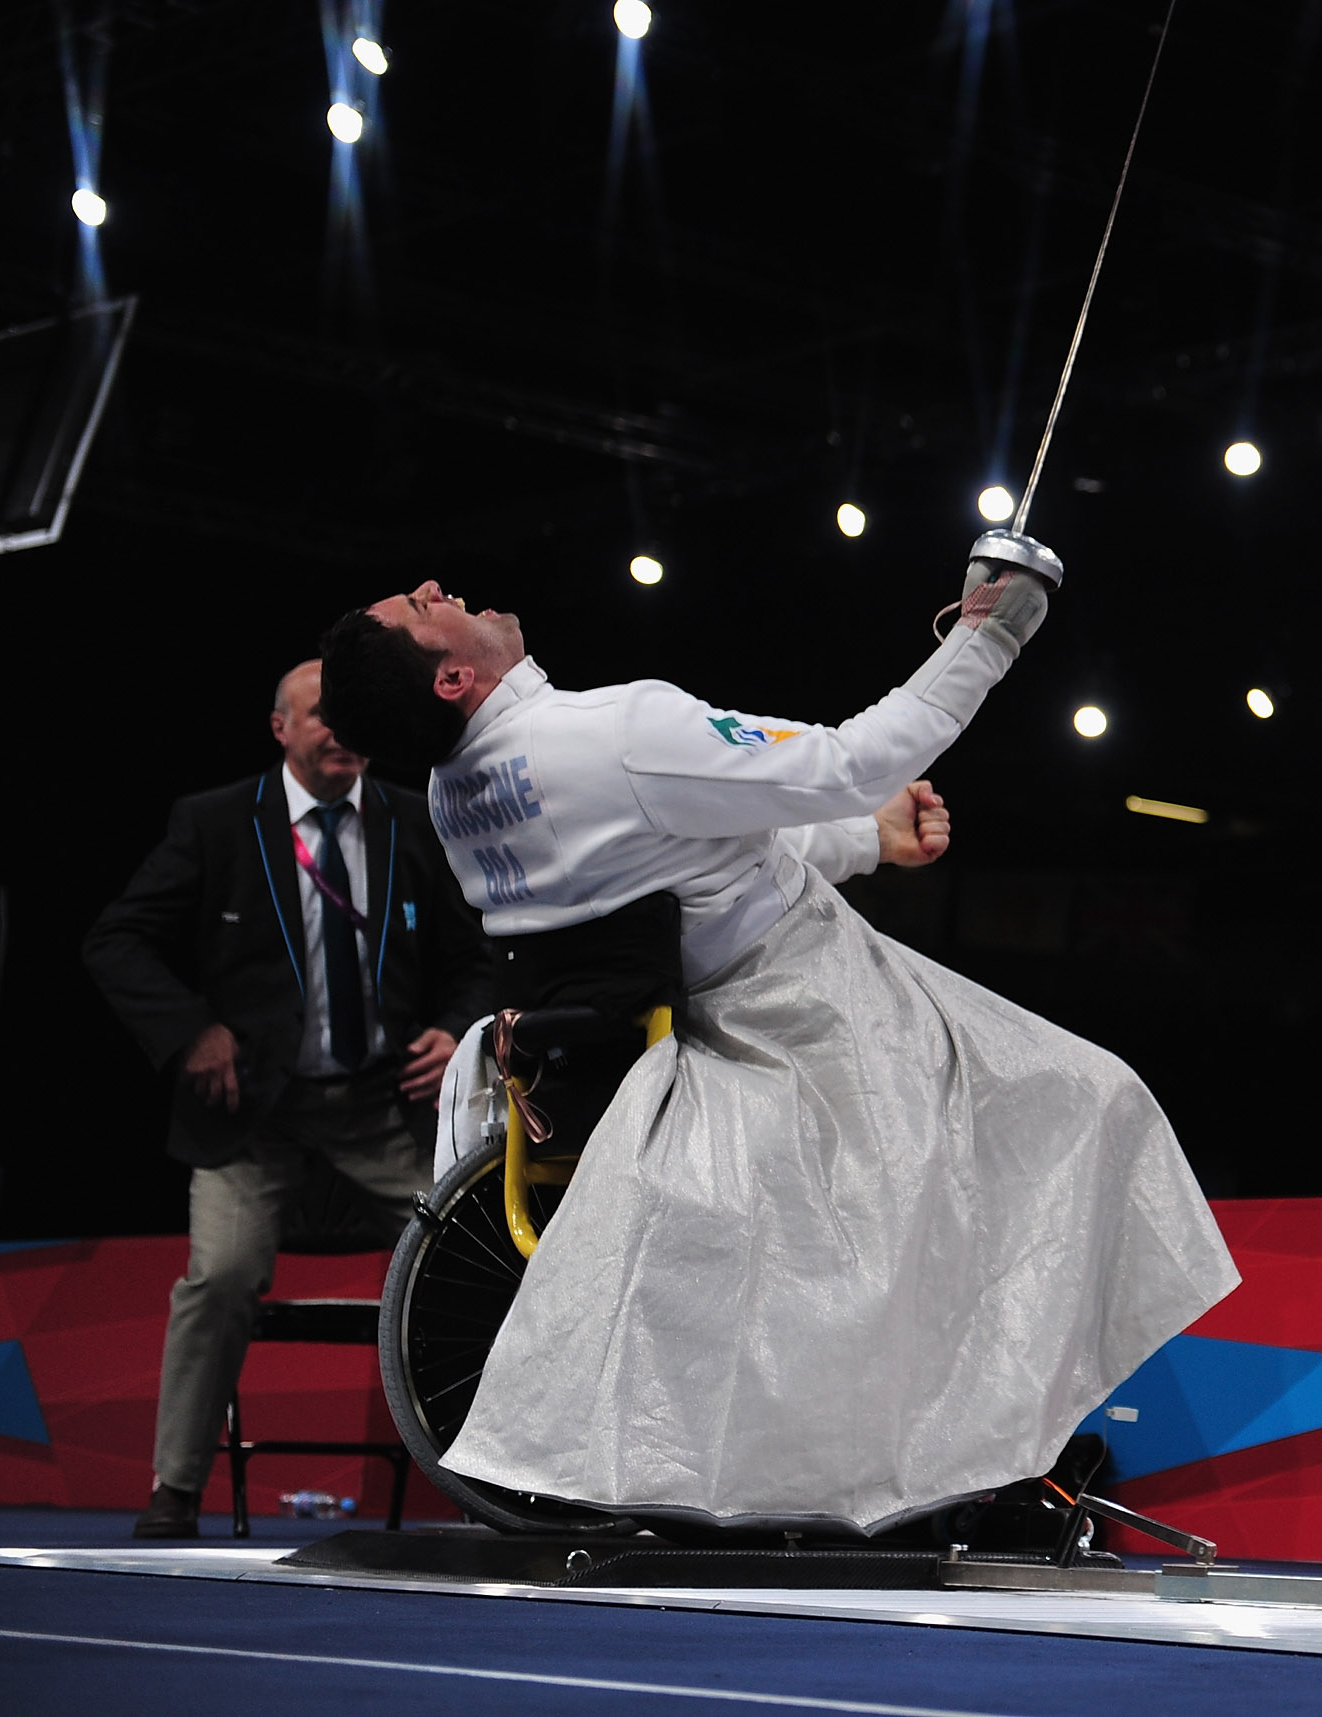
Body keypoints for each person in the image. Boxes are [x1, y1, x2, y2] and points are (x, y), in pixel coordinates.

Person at [312, 539, 1238, 1535]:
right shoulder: (614, 730)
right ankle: (993, 1449)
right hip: (816, 1004)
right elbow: (852, 762)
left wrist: (865, 838)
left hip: (689, 1025)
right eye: (418, 604)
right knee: (1085, 1101)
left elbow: (695, 855)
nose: (439, 585)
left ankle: (975, 1450)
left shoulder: (467, 795)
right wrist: (992, 632)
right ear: (453, 675)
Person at [84, 661, 496, 1539]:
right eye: (319, 716)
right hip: (254, 1120)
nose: (339, 731)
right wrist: (192, 1030)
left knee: (480, 1266)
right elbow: (116, 940)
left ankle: (502, 1482)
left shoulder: (412, 817)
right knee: (221, 1275)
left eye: (350, 716)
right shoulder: (216, 821)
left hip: (383, 1109)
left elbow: (474, 955)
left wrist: (456, 1026)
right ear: (281, 728)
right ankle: (175, 1489)